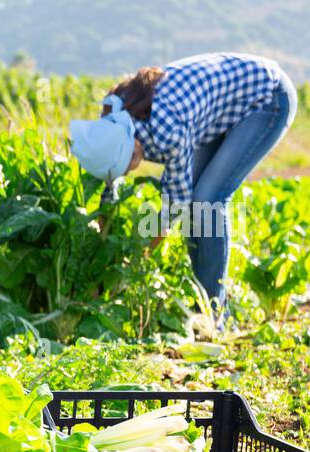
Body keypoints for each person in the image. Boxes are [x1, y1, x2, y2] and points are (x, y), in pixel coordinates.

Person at [69, 52, 297, 310]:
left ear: (132, 148)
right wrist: (101, 256)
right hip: (215, 110)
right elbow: (109, 197)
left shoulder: (168, 131)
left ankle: (212, 312)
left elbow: (174, 206)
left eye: (126, 169)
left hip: (266, 96)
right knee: (195, 206)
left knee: (207, 200)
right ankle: (204, 297)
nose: (127, 174)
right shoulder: (113, 120)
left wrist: (132, 263)